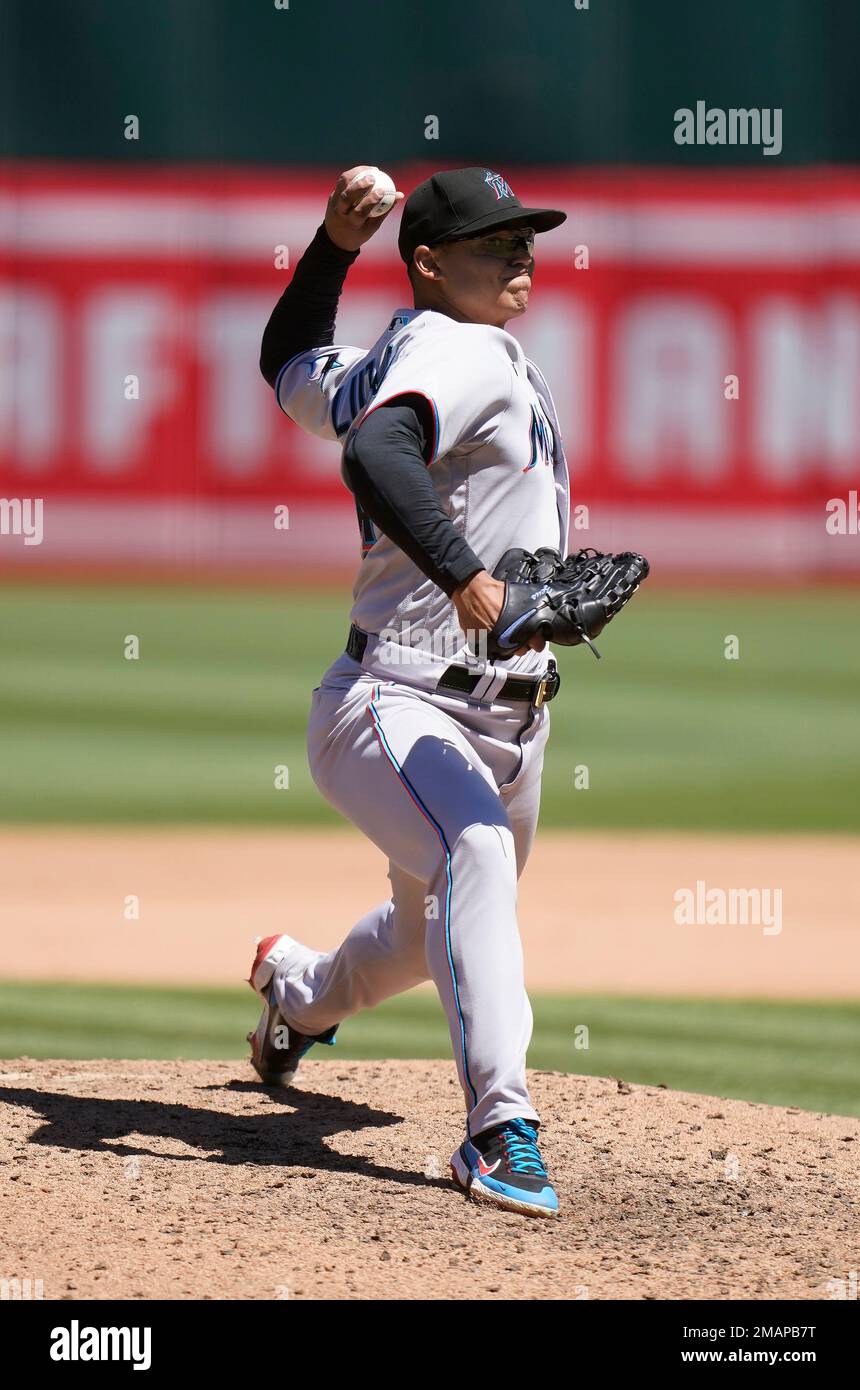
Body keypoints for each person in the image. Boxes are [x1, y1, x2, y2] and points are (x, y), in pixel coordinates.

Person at [252, 165, 569, 1218]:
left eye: (524, 234)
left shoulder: (390, 353)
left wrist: (330, 248)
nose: (520, 251)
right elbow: (379, 453)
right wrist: (465, 573)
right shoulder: (453, 347)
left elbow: (288, 359)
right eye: (495, 239)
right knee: (472, 856)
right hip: (397, 698)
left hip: (499, 712)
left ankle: (294, 995)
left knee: (420, 928)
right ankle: (498, 1130)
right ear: (430, 261)